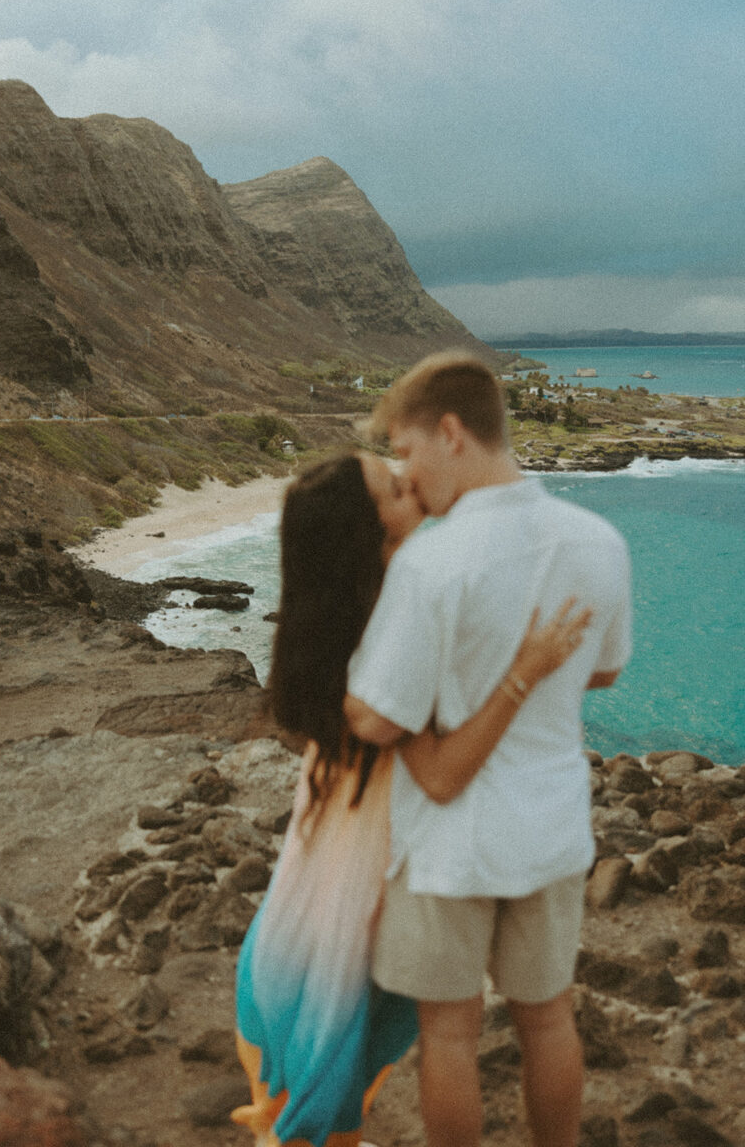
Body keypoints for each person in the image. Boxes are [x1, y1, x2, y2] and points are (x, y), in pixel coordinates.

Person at [232, 451, 592, 1147]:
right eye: (394, 485)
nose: (410, 476)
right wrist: (527, 670)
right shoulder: (389, 636)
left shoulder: (330, 626)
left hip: (299, 912)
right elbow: (443, 774)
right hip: (341, 929)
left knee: (303, 1096)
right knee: (328, 1093)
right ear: (371, 532)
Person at [345, 352, 632, 1147]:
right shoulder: (600, 541)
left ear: (450, 432)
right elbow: (605, 669)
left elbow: (378, 719)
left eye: (405, 450)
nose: (405, 474)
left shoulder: (433, 561)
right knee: (548, 1019)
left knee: (449, 1034)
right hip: (550, 824)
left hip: (451, 845)